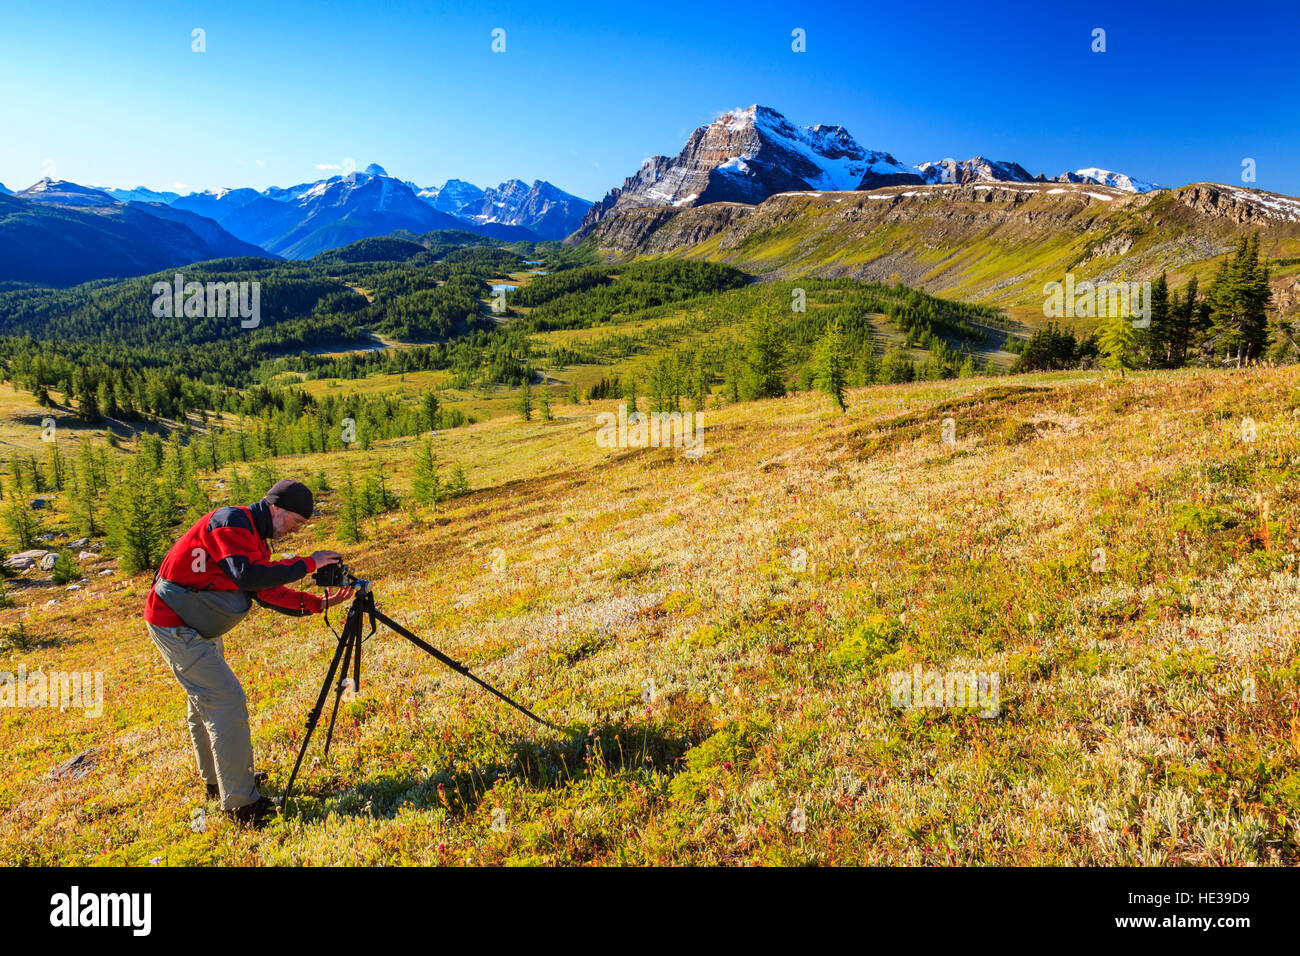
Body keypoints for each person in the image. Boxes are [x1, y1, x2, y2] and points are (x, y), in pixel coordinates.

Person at [144, 479, 354, 829]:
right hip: (175, 625)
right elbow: (247, 575)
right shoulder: (231, 522)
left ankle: (219, 783)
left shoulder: (255, 538)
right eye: (295, 522)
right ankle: (242, 806)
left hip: (195, 622)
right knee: (225, 701)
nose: (294, 531)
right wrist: (309, 563)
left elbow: (264, 591)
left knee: (204, 703)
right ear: (276, 508)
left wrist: (320, 604)